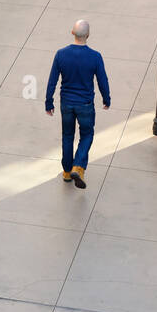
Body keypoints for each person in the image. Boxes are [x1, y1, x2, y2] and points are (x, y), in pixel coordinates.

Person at [45, 20, 111, 189]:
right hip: (85, 104)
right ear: (88, 35)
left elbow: (52, 81)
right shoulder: (95, 57)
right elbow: (102, 80)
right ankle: (78, 166)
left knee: (67, 136)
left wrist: (48, 101)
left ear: (72, 32)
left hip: (66, 103)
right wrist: (106, 98)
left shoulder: (61, 54)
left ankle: (67, 172)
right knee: (87, 135)